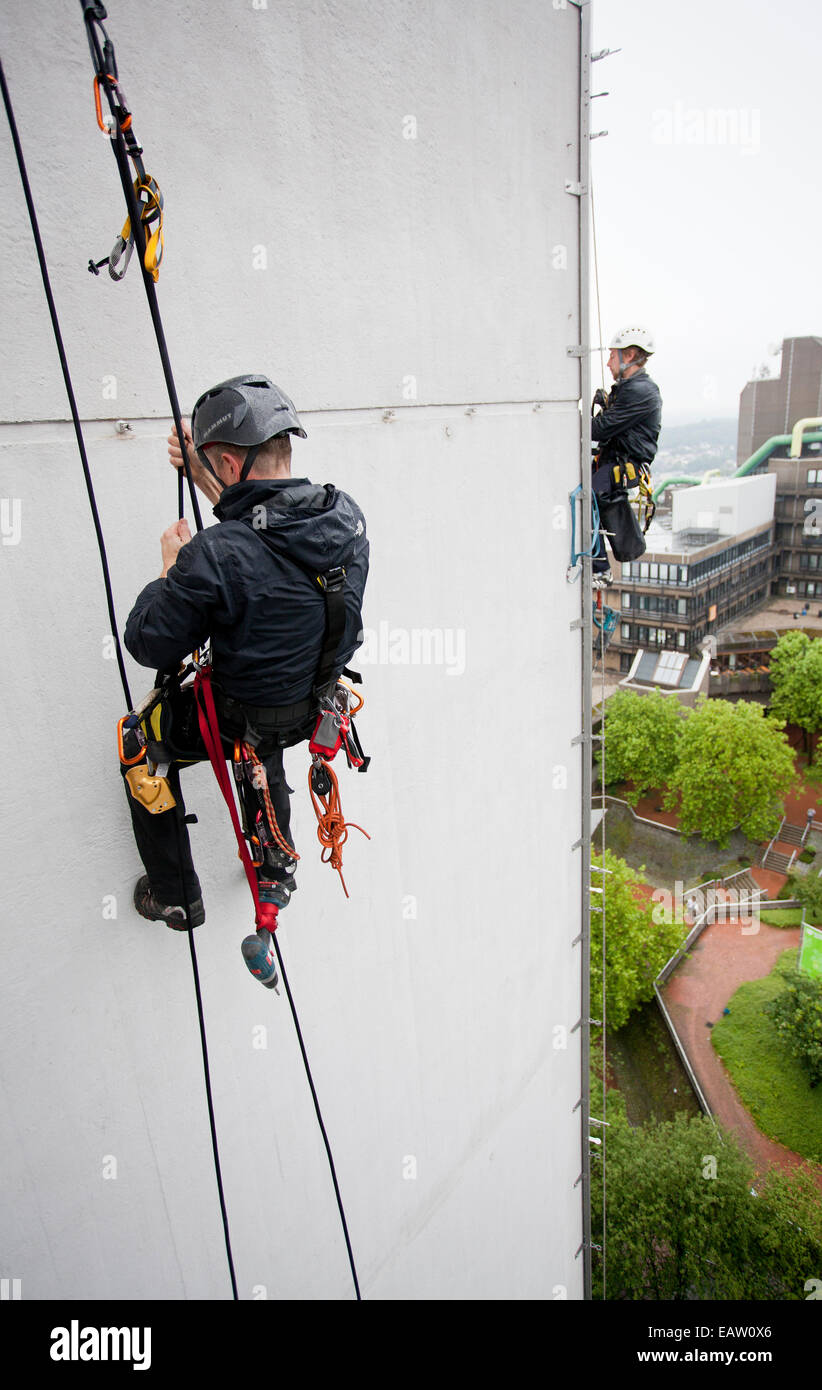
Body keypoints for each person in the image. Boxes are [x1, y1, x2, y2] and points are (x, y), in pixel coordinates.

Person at [120, 374, 369, 950]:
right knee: (263, 743)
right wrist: (204, 475)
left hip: (237, 717)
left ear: (231, 462)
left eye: (219, 465)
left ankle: (176, 893)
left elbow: (147, 643)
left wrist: (170, 567)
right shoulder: (344, 519)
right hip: (308, 710)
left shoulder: (213, 554)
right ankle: (275, 868)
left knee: (139, 745)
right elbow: (264, 531)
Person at [590, 326, 661, 587]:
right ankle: (598, 565)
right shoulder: (629, 388)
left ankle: (599, 568)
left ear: (629, 355)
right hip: (614, 460)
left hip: (623, 464)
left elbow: (598, 429)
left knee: (590, 496)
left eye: (612, 356)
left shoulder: (640, 391)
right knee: (590, 491)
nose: (608, 363)